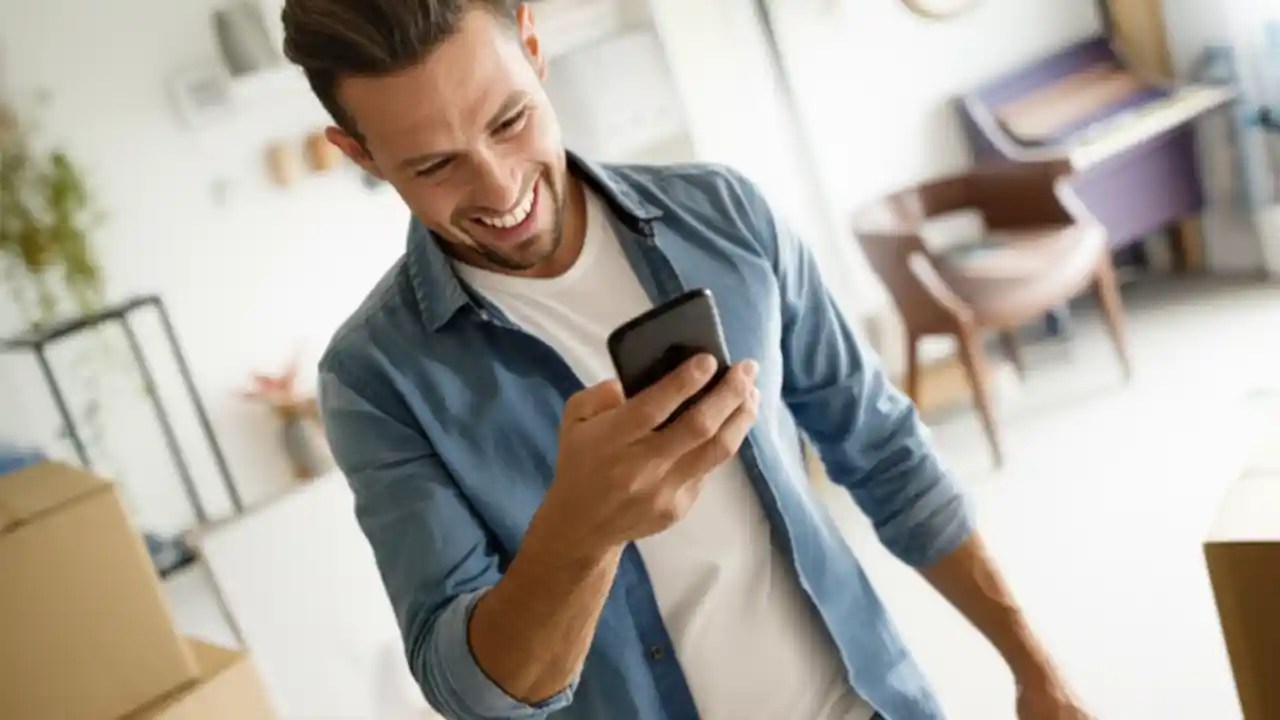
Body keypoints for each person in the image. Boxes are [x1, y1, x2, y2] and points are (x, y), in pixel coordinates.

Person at [283, 1, 1091, 718]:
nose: (498, 190)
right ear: (359, 153)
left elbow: (886, 455)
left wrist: (1034, 666)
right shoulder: (374, 380)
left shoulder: (725, 215)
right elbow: (472, 695)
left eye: (509, 122)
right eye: (433, 165)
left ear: (532, 44)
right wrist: (582, 532)